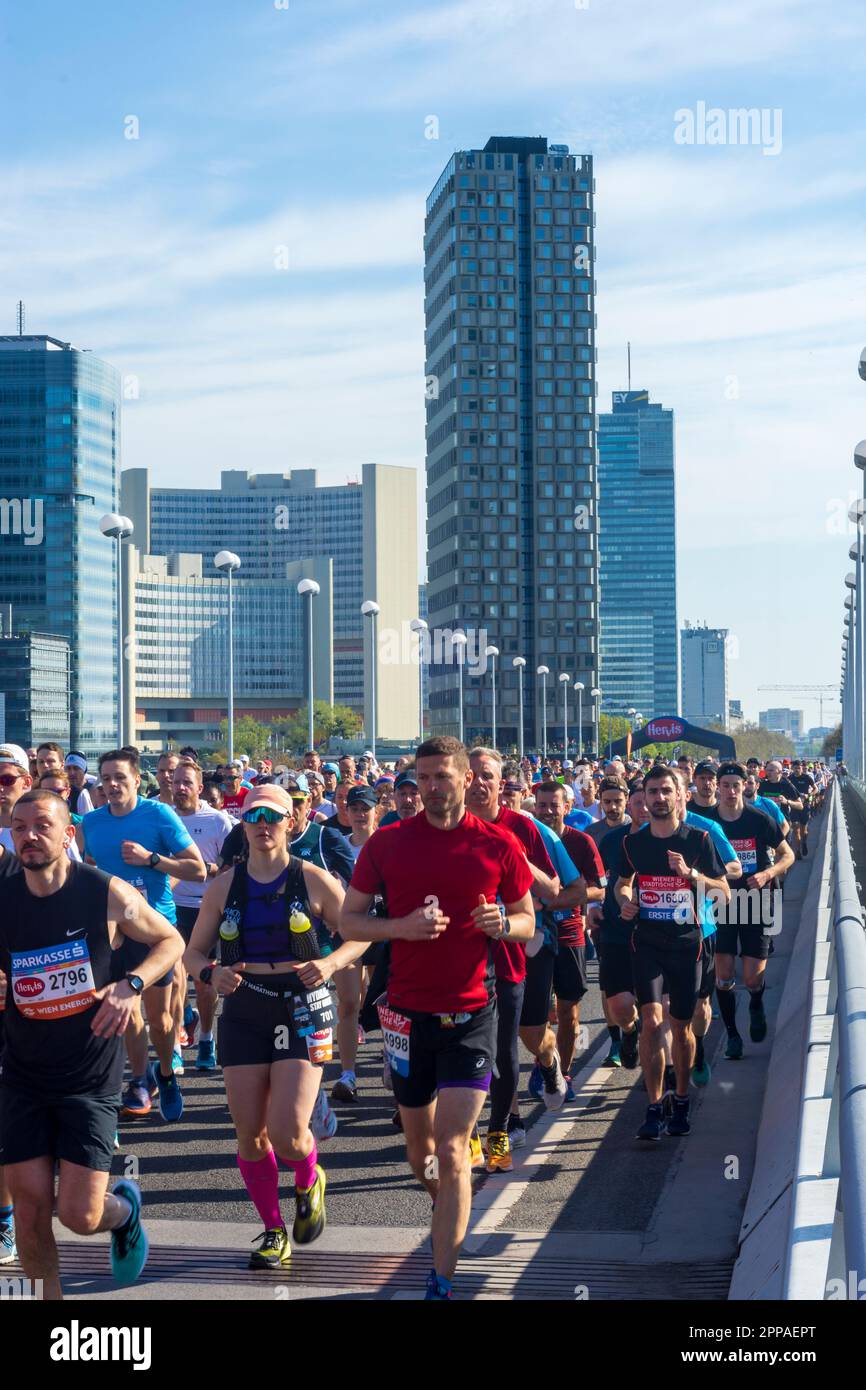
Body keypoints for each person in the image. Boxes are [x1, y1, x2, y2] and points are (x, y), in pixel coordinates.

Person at [340, 736, 535, 1301]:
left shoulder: (498, 844)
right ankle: (450, 1204)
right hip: (405, 1017)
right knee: (421, 1154)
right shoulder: (387, 843)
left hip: (472, 1012)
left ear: (465, 779)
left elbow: (528, 921)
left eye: (441, 777)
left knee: (453, 1150)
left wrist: (504, 922)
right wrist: (398, 928)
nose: (430, 788)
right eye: (422, 779)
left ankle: (441, 1278)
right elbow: (351, 922)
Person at [0, 789, 184, 1300]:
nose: (29, 836)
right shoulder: (3, 893)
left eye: (41, 825)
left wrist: (132, 985)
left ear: (68, 834)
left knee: (80, 1215)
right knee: (32, 1210)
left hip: (88, 1074)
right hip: (22, 1071)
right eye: (19, 827)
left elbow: (171, 941)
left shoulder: (105, 892)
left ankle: (123, 1210)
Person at [184, 783, 364, 1269]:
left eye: (274, 816)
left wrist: (329, 966)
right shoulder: (225, 885)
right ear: (242, 824)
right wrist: (210, 972)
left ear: (292, 821)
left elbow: (359, 935)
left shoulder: (314, 879)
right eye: (254, 816)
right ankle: (272, 1229)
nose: (264, 825)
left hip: (304, 1002)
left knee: (287, 1132)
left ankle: (309, 1178)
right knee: (250, 1135)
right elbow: (192, 951)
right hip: (244, 1006)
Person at [77, 748, 205, 1120]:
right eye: (107, 778)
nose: (113, 785)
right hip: (113, 933)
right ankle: (138, 1081)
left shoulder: (158, 814)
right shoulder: (93, 823)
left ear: (137, 780)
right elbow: (87, 867)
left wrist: (152, 859)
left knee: (161, 1020)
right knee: (126, 1011)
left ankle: (165, 1073)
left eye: (120, 777)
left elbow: (197, 869)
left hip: (155, 932)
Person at [615, 764, 729, 1141]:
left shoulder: (698, 840)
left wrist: (691, 875)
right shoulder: (633, 843)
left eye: (666, 791)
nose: (659, 798)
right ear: (644, 799)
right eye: (652, 792)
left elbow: (724, 893)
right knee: (650, 1022)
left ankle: (680, 1099)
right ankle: (653, 1105)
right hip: (646, 942)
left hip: (686, 946)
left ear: (681, 796)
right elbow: (622, 884)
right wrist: (627, 900)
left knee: (680, 1029)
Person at [465, 749, 563, 1170]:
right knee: (464, 1052)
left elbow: (555, 890)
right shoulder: (445, 827)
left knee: (505, 1049)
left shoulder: (521, 827)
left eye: (488, 775)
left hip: (508, 956)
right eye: (473, 775)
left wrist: (518, 862)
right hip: (457, 961)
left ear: (500, 782)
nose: (479, 783)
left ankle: (499, 1135)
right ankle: (467, 1139)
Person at [701, 762, 793, 1058]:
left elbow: (787, 855)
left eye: (735, 785)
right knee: (724, 975)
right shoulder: (708, 822)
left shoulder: (759, 819)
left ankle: (755, 1001)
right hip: (722, 903)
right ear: (717, 786)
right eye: (724, 785)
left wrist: (768, 874)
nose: (730, 790)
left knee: (752, 977)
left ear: (745, 786)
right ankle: (732, 1036)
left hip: (756, 900)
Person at [532, 781, 606, 1093]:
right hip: (534, 935)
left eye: (554, 805)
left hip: (570, 933)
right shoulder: (527, 839)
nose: (548, 811)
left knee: (568, 1011)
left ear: (567, 807)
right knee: (537, 1014)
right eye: (543, 805)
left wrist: (558, 899)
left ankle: (564, 1073)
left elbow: (599, 888)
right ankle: (545, 1065)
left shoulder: (582, 842)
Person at [170, 759, 233, 1071]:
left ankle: (206, 1037)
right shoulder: (161, 816)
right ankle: (176, 1042)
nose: (180, 788)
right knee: (172, 979)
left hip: (207, 909)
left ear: (199, 788)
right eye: (175, 782)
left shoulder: (218, 821)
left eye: (186, 783)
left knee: (204, 984)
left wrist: (200, 873)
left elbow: (230, 867)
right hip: (170, 908)